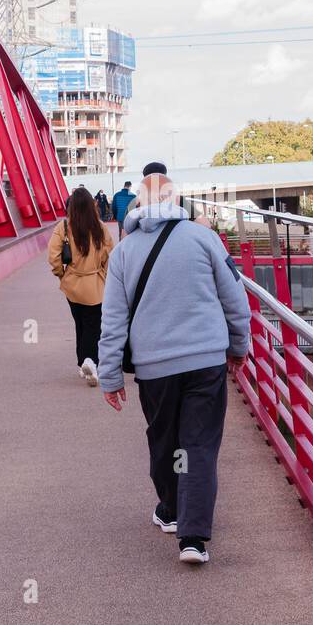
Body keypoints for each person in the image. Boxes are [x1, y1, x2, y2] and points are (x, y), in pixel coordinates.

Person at [97, 172, 251, 566]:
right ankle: (193, 538)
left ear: (139, 206)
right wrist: (239, 346)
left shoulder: (124, 252)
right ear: (177, 200)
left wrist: (111, 374)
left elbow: (113, 320)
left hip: (154, 367)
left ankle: (171, 508)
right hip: (205, 360)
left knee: (164, 440)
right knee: (198, 445)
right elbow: (234, 298)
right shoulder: (205, 239)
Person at [47, 187, 110, 386]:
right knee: (94, 325)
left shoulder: (63, 226)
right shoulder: (100, 227)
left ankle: (82, 362)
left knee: (80, 323)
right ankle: (91, 361)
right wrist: (106, 278)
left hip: (72, 282)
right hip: (95, 283)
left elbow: (53, 256)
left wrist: (61, 275)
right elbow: (110, 257)